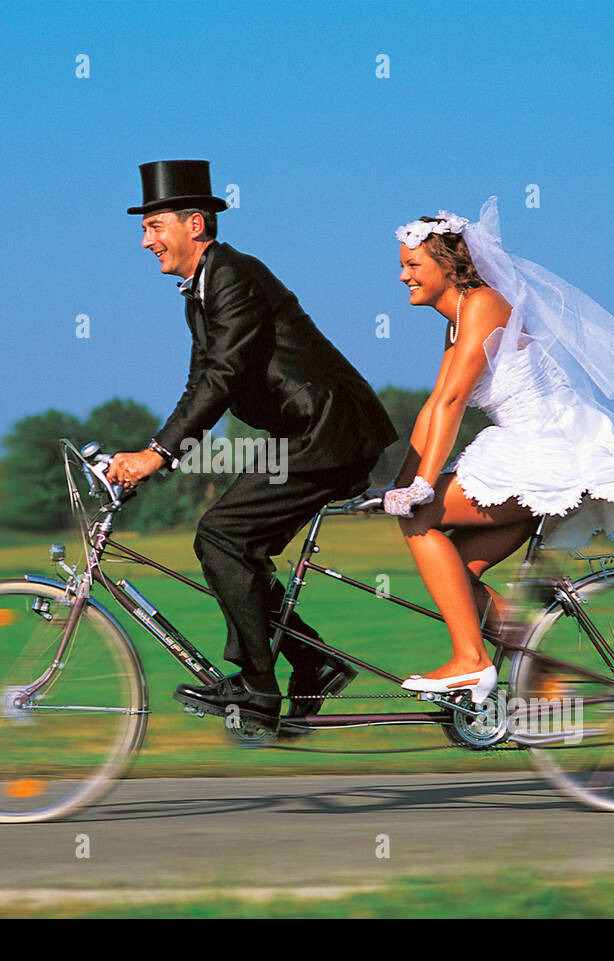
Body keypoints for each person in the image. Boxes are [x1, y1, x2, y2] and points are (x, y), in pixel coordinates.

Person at [107, 160, 399, 731]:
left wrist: (157, 456)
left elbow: (224, 375)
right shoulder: (202, 288)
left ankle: (258, 692)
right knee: (234, 544)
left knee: (222, 534)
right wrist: (154, 454)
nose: (145, 241)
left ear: (195, 224)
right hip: (308, 434)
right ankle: (311, 662)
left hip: (327, 434)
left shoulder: (232, 276)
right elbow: (202, 381)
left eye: (154, 226)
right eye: (144, 229)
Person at [383, 196, 614, 703]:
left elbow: (456, 400)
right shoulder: (458, 317)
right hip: (524, 459)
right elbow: (434, 404)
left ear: (447, 264)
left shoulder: (483, 303)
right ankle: (546, 685)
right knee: (454, 574)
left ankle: (471, 663)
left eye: (412, 265)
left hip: (544, 454)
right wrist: (399, 481)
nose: (403, 277)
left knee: (420, 520)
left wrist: (419, 487)